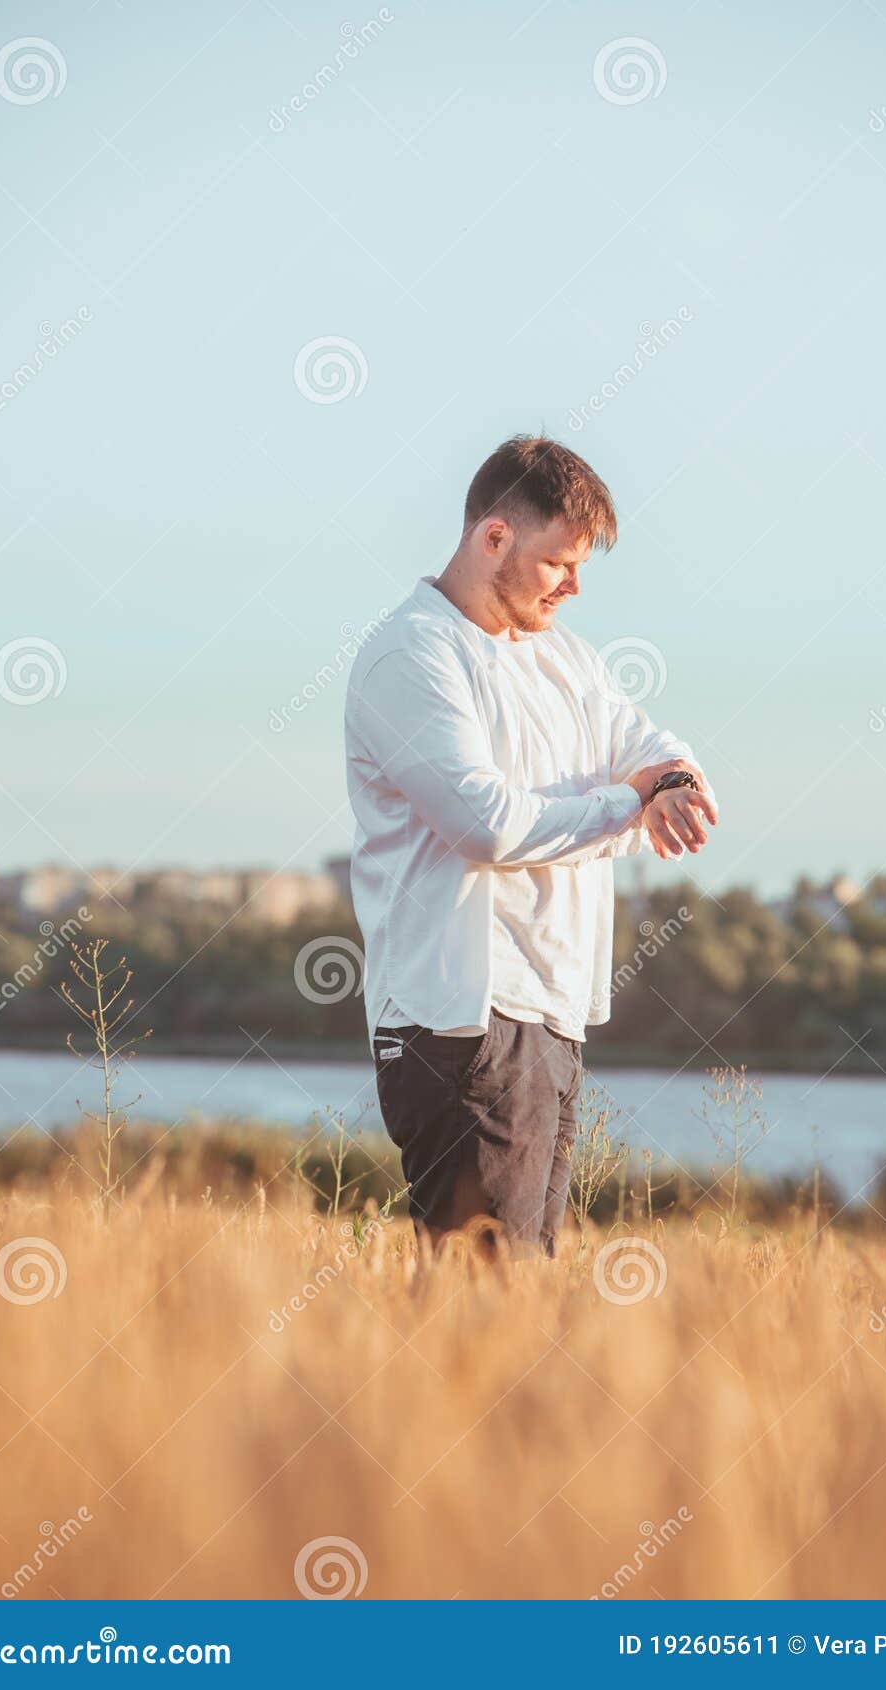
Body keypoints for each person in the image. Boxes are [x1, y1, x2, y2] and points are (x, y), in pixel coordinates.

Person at [344, 436, 717, 1254]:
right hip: (459, 1016)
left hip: (549, 1015)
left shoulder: (567, 661)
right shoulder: (412, 654)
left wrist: (670, 784)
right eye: (557, 564)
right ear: (493, 538)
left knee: (522, 1299)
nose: (574, 587)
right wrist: (629, 803)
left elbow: (659, 753)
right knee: (483, 1294)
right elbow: (486, 823)